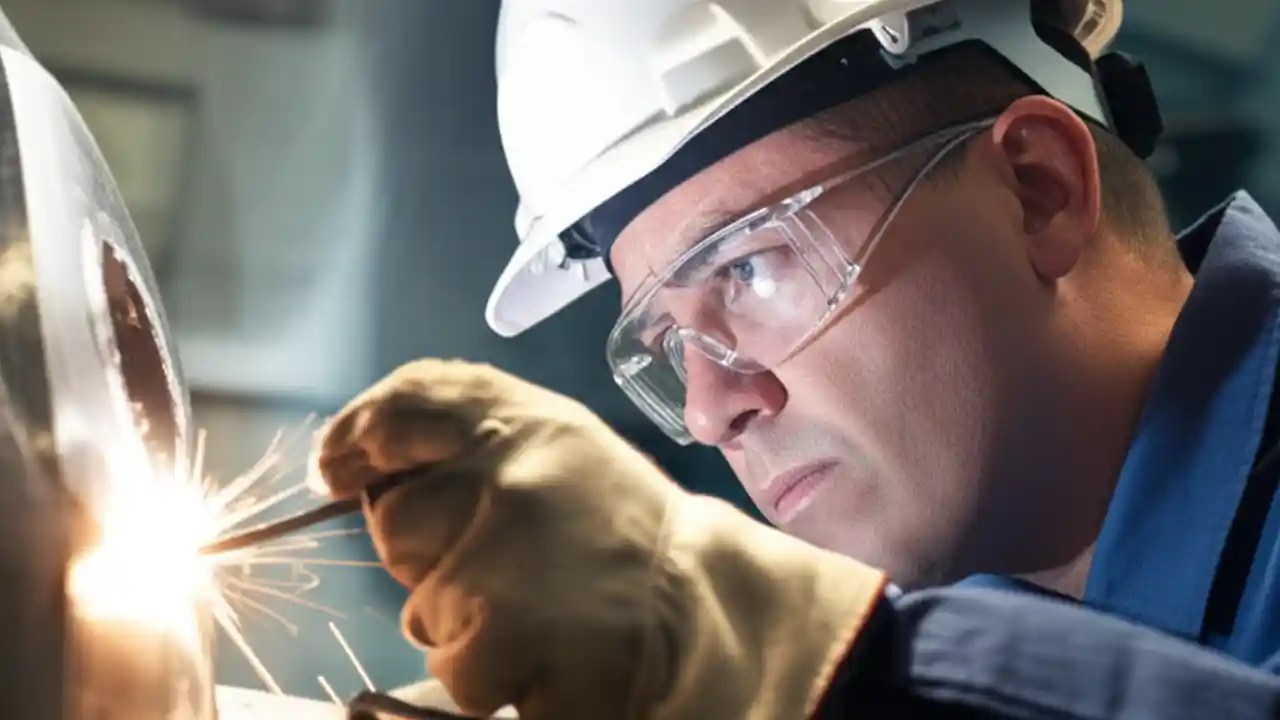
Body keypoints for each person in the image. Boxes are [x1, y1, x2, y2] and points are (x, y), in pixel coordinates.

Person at [312, 1, 1280, 717]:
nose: (707, 410)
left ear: (1037, 190)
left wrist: (803, 666)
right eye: (663, 341)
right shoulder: (965, 605)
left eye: (746, 268)